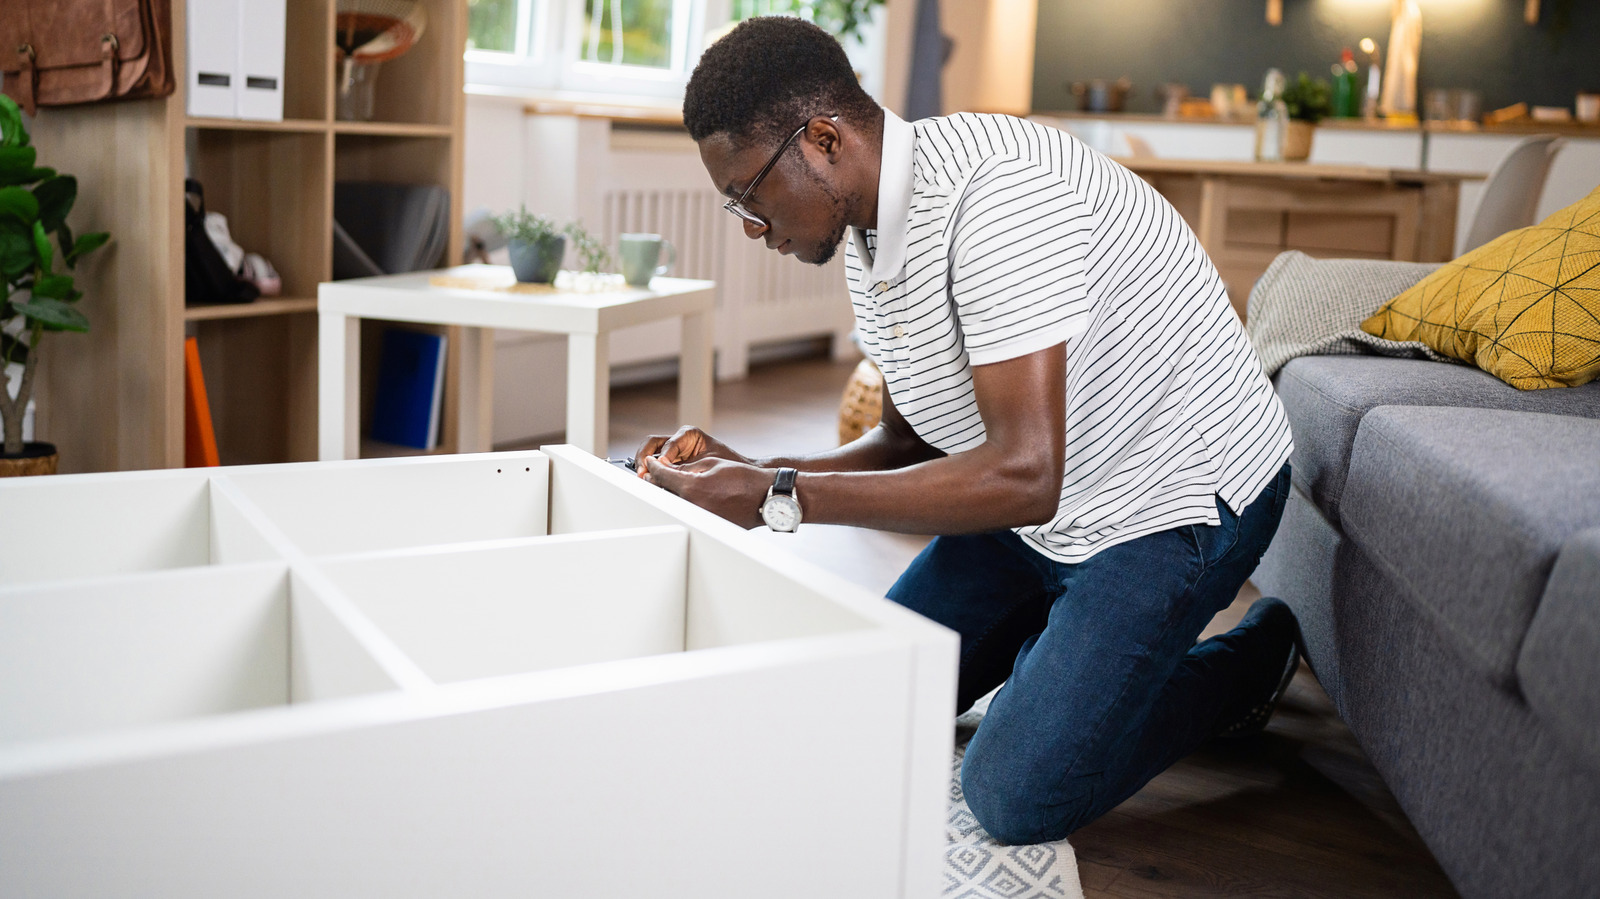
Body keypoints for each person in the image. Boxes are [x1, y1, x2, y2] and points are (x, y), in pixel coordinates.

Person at [632, 16, 1298, 844]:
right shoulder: (862, 229)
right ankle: (1068, 658)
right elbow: (908, 445)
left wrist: (777, 496)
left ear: (825, 140)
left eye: (749, 195)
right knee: (874, 704)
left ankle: (1246, 665)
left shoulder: (999, 201)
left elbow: (1025, 473)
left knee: (1017, 790)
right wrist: (761, 465)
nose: (748, 224)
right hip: (1039, 511)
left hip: (1172, 500)